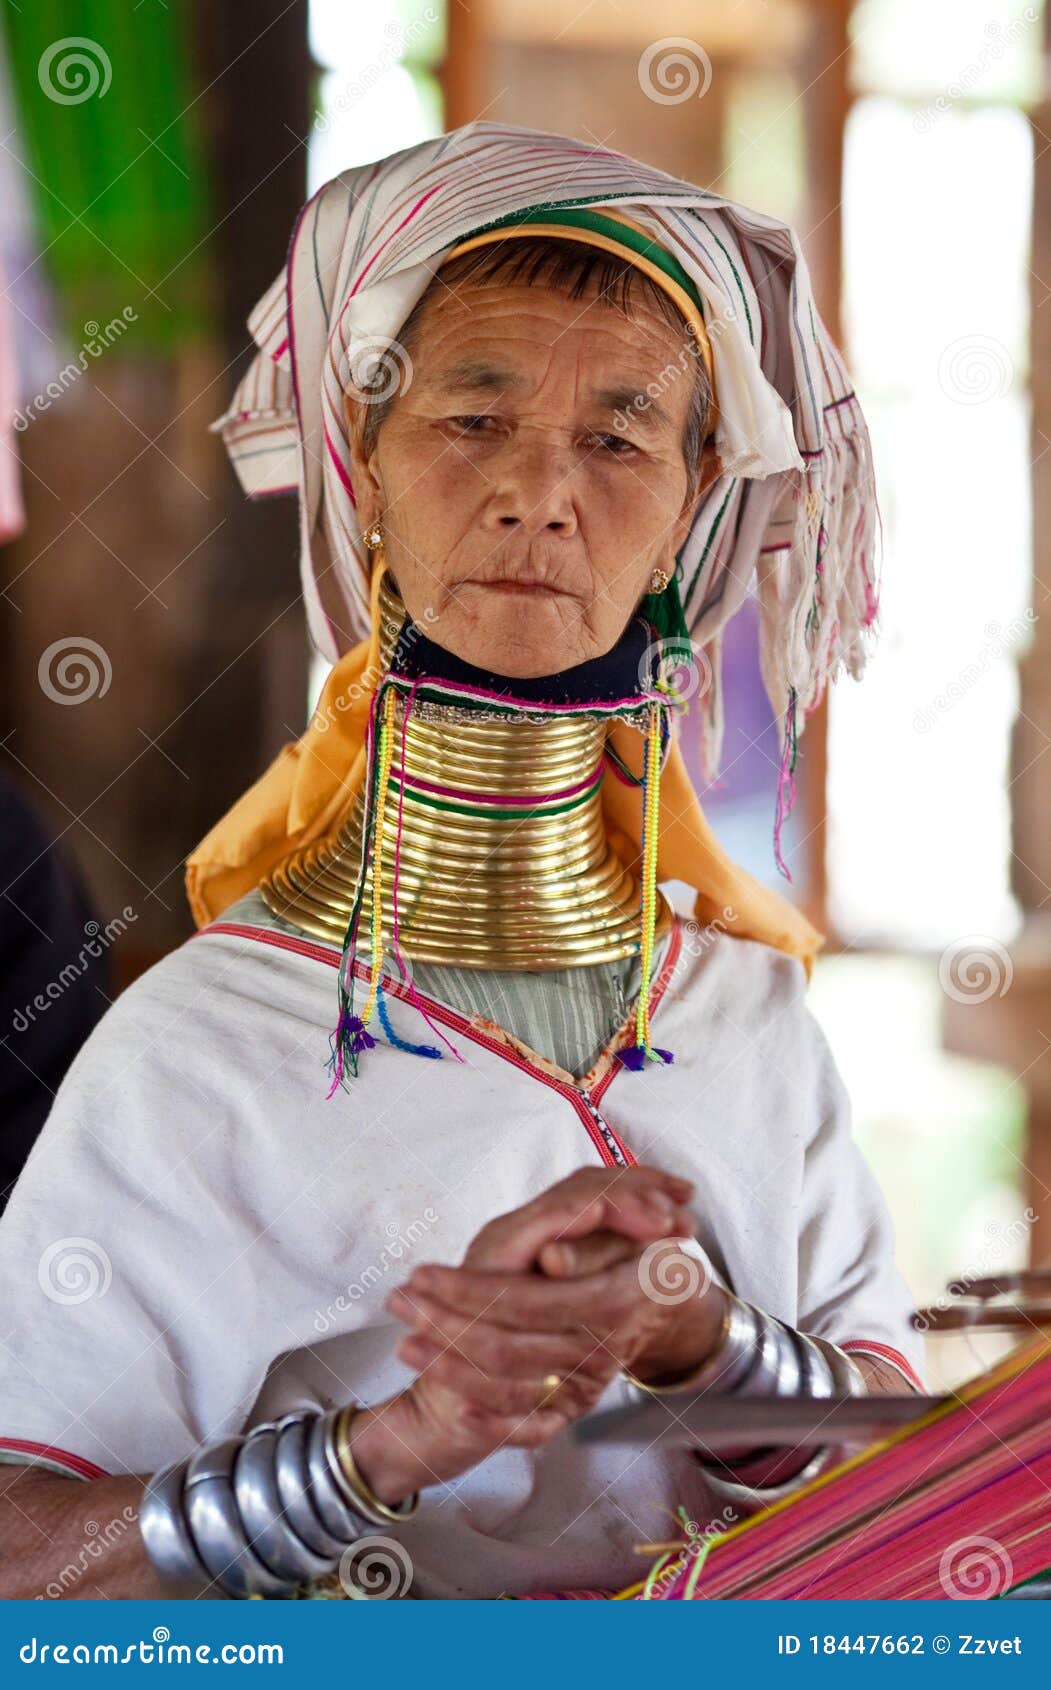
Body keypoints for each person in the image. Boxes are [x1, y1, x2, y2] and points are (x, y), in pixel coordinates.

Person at [0, 122, 921, 1602]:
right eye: (473, 419)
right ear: (364, 468)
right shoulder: (204, 1045)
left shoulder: (745, 1016)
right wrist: (390, 1446)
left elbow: (903, 1487)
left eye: (618, 439)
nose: (538, 492)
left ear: (693, 504)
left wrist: (700, 1340)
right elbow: (20, 1554)